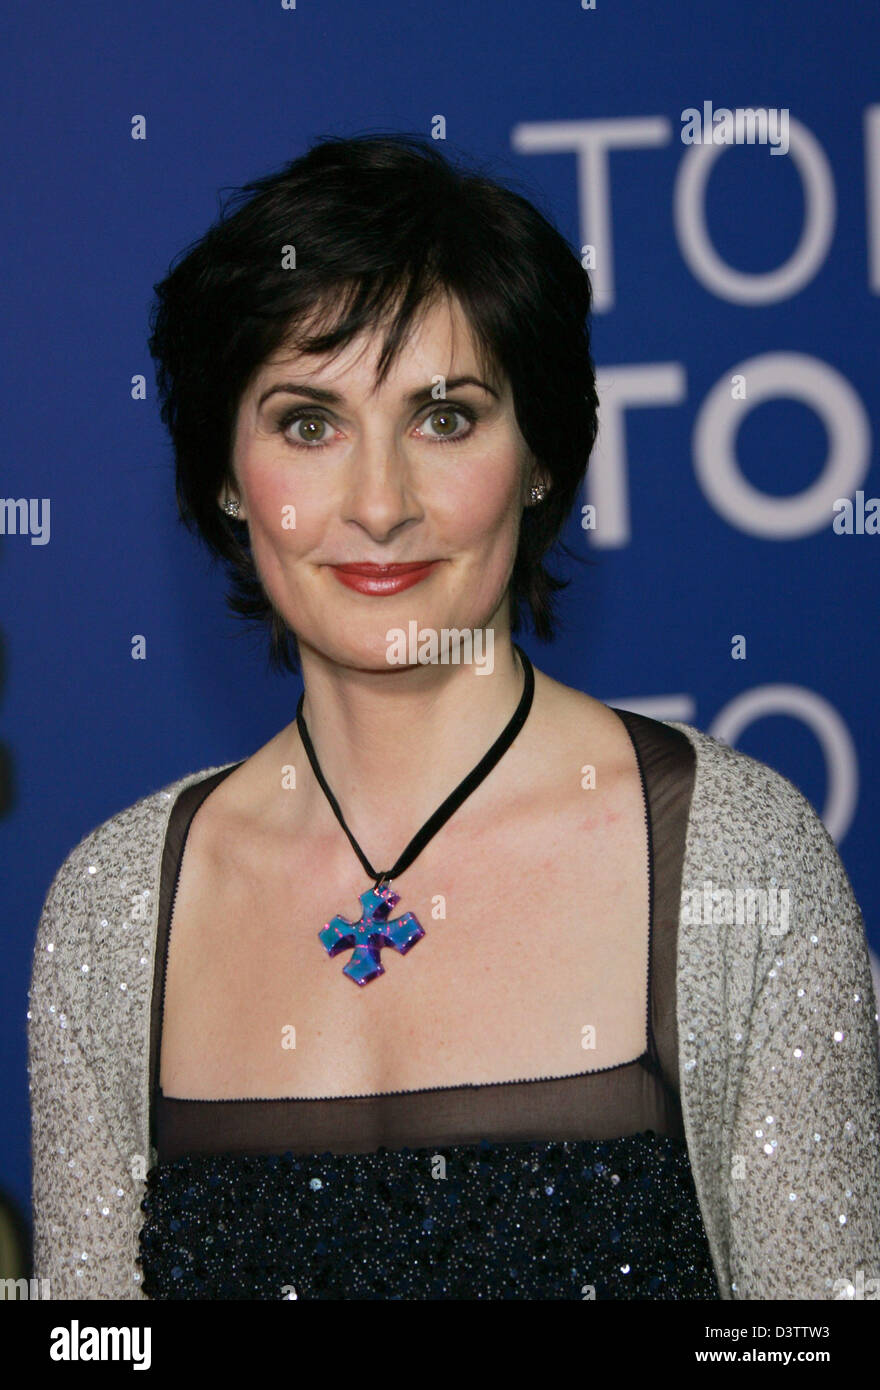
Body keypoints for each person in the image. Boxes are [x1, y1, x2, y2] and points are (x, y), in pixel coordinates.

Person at [28, 132, 880, 1300]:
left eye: (444, 416)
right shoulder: (116, 912)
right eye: (308, 424)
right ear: (224, 472)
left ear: (540, 454)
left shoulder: (732, 860)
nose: (379, 504)